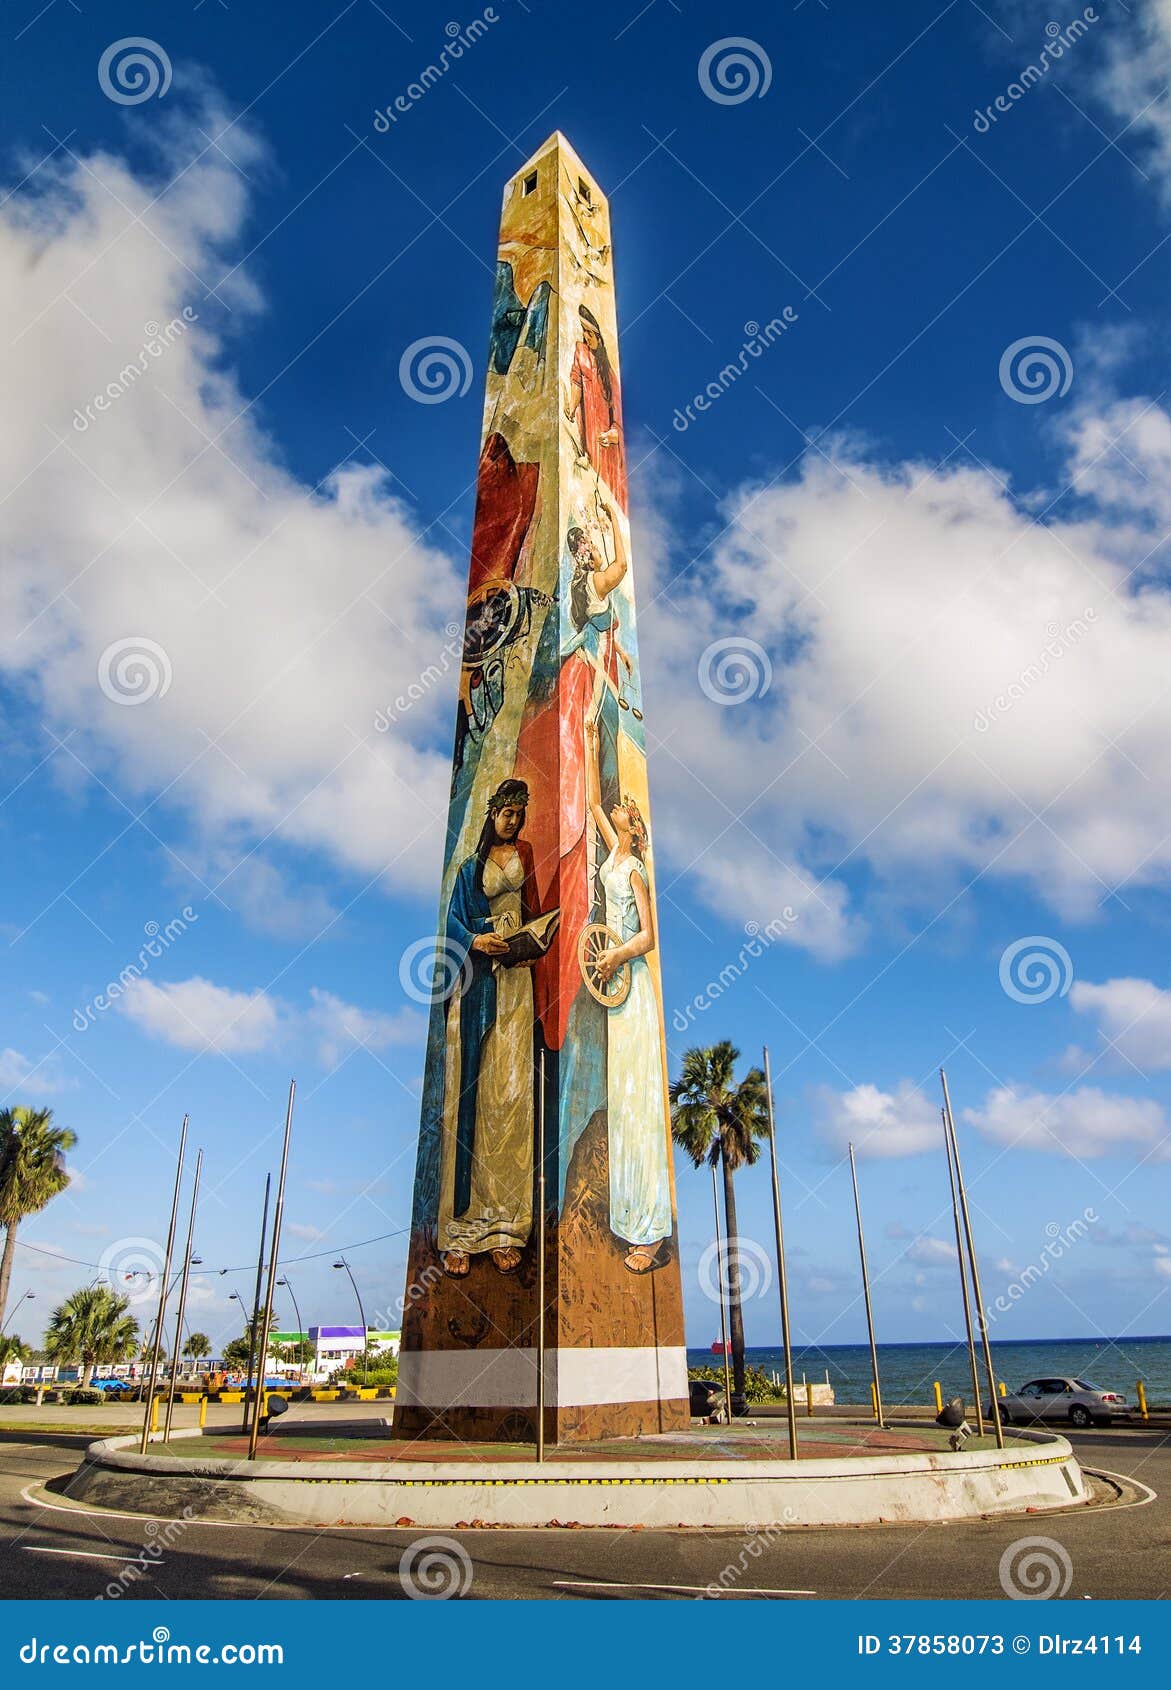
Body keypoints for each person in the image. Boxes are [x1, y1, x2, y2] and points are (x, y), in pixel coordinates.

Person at [438, 779, 542, 1276]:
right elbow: (453, 923)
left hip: (516, 983)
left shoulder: (525, 857)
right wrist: (478, 942)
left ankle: (506, 1226)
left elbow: (538, 914)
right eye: (507, 813)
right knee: (472, 1096)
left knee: (511, 1099)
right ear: (492, 812)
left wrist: (530, 939)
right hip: (479, 983)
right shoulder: (468, 868)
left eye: (519, 814)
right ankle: (463, 1230)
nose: (513, 821)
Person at [584, 720, 672, 1271]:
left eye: (626, 810)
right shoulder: (614, 852)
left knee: (640, 1100)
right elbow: (593, 797)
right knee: (623, 1099)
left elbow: (650, 935)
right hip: (614, 989)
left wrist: (616, 955)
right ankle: (628, 1220)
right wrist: (591, 740)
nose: (617, 809)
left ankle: (651, 1229)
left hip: (631, 987)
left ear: (635, 828)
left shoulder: (635, 866)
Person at [564, 304, 627, 507]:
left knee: (606, 482)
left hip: (603, 434)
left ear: (599, 337)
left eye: (591, 334)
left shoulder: (609, 373)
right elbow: (575, 380)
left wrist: (612, 434)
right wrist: (571, 405)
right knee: (589, 474)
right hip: (588, 426)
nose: (587, 337)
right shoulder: (580, 352)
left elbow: (616, 411)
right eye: (585, 333)